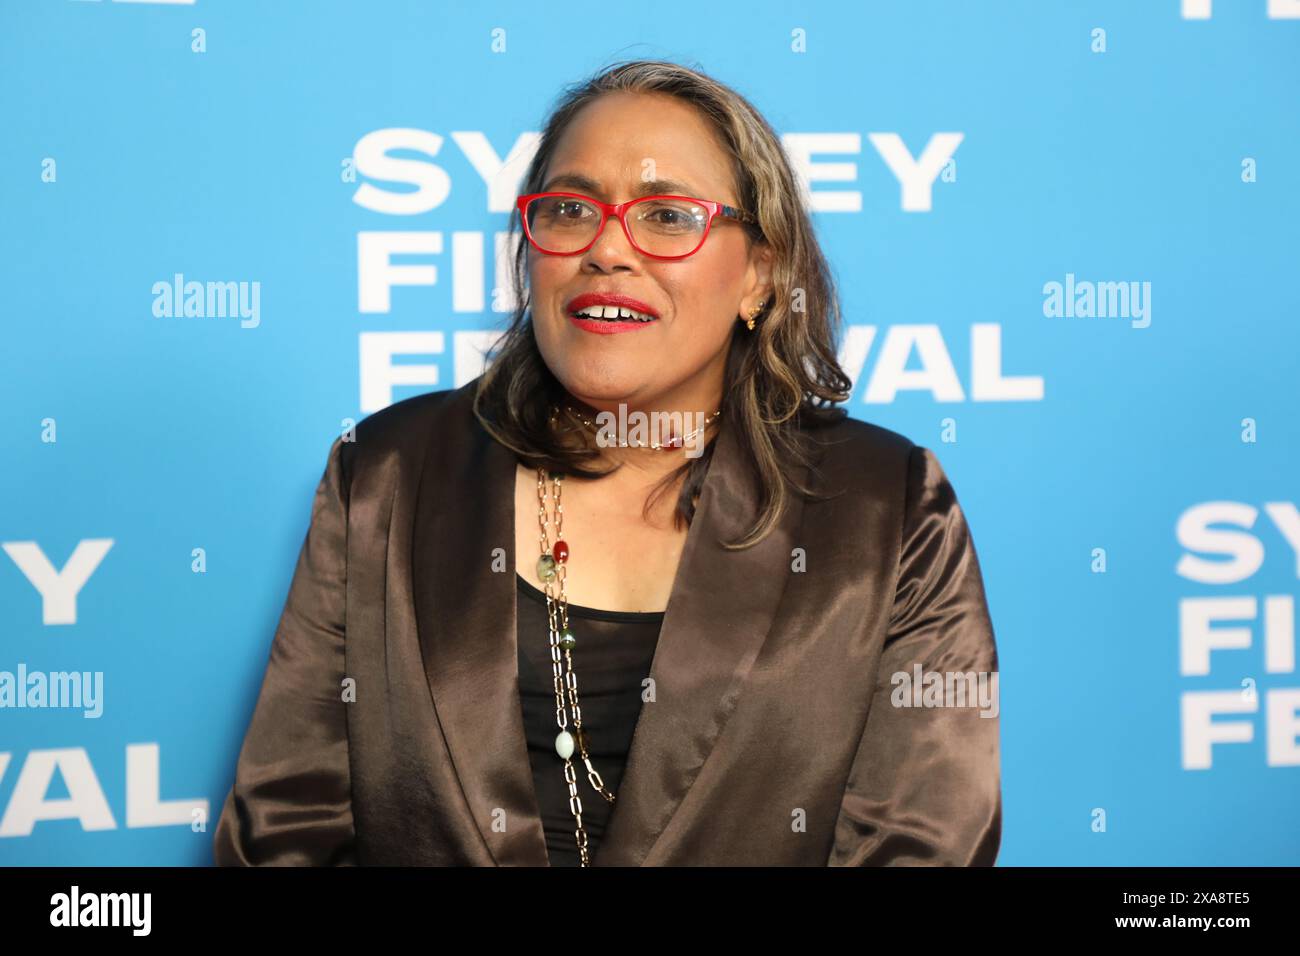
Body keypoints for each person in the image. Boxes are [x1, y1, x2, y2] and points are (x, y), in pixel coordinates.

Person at [213, 58, 1000, 867]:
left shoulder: (886, 509)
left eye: (665, 216)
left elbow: (921, 845)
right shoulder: (386, 477)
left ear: (760, 275)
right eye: (568, 210)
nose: (607, 251)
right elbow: (286, 829)